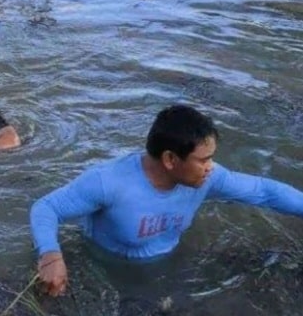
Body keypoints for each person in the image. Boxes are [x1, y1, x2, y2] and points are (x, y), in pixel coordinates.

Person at [31, 105, 303, 298]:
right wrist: (51, 255)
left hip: (169, 267)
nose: (211, 167)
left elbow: (264, 191)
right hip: (105, 271)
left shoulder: (208, 178)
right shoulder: (108, 182)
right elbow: (47, 207)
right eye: (204, 160)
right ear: (170, 159)